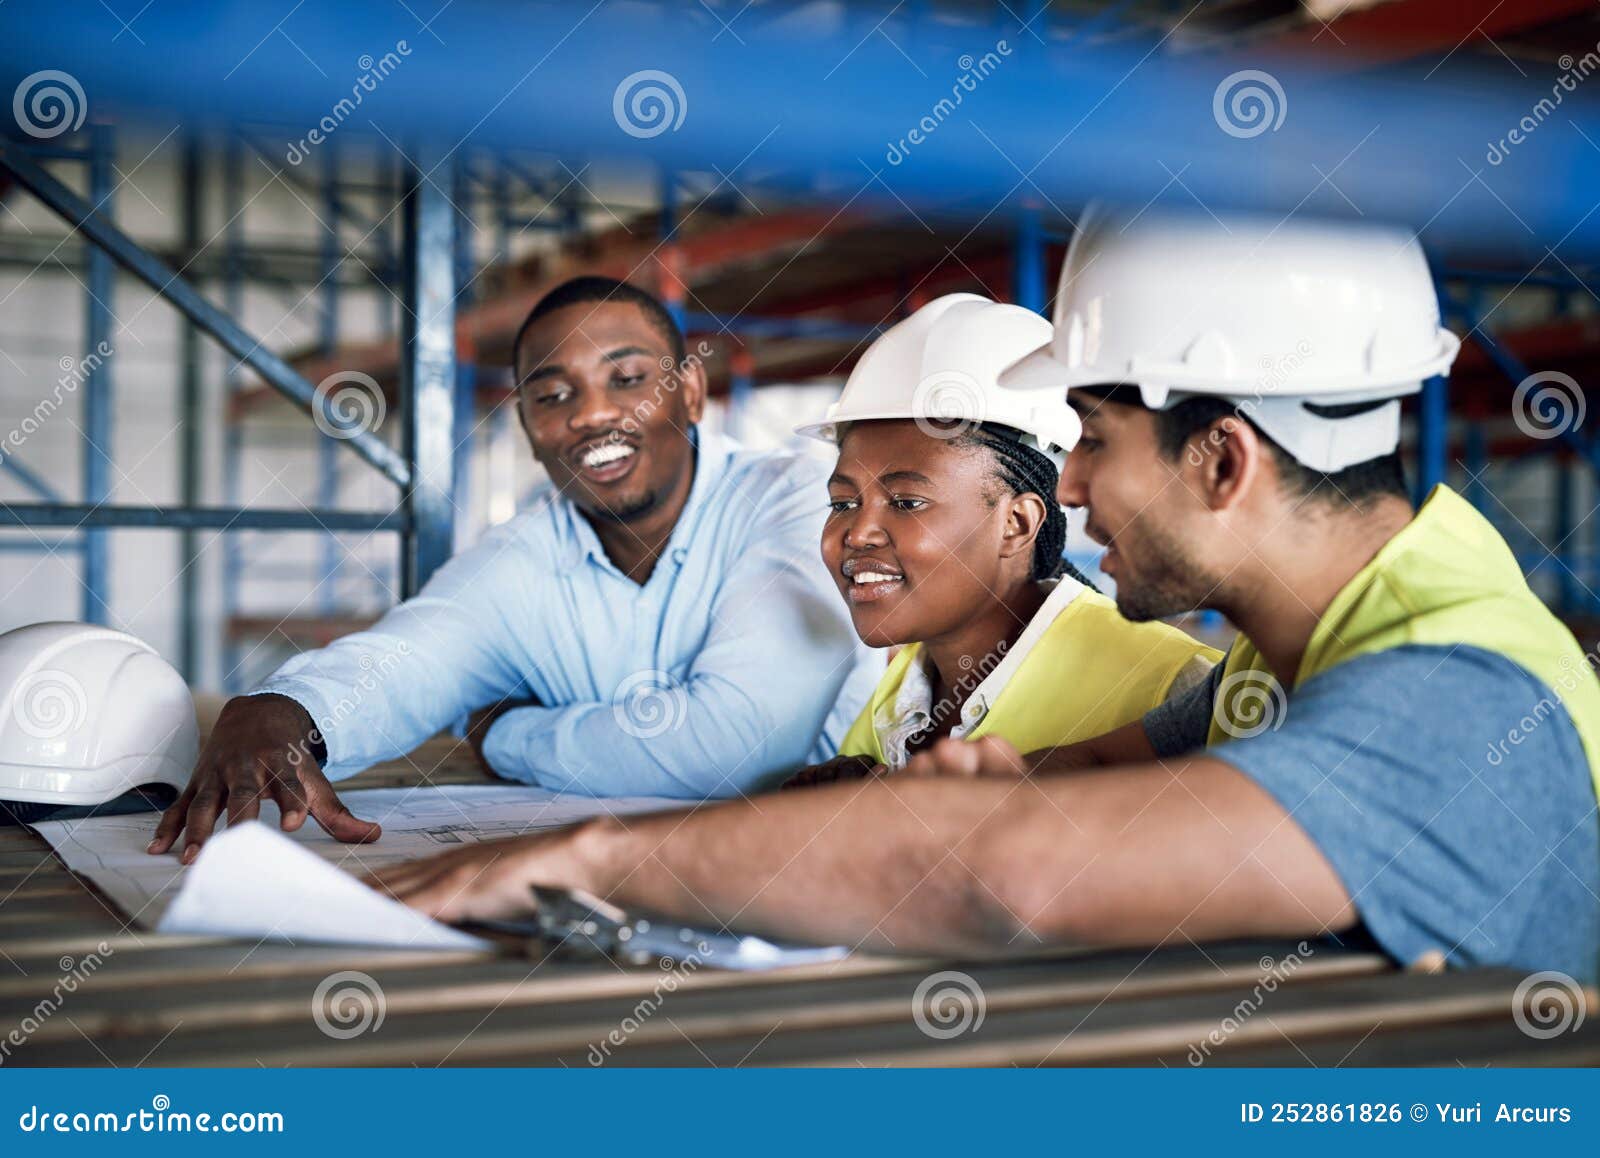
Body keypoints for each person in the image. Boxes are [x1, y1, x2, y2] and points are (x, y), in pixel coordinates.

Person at [370, 210, 1600, 986]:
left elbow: (1007, 869)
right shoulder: (1293, 661)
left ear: (1221, 460)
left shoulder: (1452, 693)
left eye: (1095, 438)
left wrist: (592, 856)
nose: (1065, 483)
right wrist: (930, 791)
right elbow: (1077, 773)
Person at [150, 276, 878, 863]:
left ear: (689, 391)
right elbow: (407, 660)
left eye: (627, 379)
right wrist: (283, 711)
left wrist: (507, 735)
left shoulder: (799, 496)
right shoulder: (521, 558)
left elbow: (737, 747)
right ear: (528, 425)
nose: (593, 415)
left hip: (825, 868)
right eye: (553, 395)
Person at [784, 294, 1217, 786]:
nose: (857, 532)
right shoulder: (905, 688)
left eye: (906, 502)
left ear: (1017, 523)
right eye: (843, 504)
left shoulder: (1171, 685)